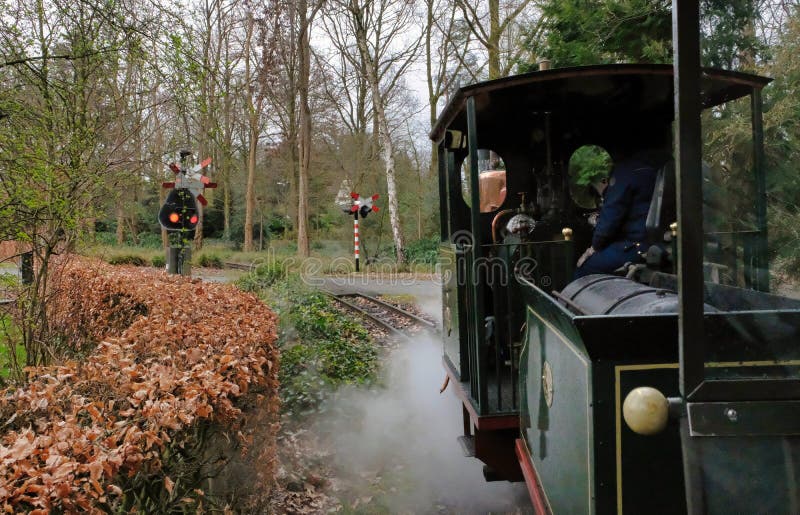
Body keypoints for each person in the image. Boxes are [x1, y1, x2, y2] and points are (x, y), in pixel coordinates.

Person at [574, 149, 662, 278]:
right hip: (656, 243)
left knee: (585, 268)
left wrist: (592, 248)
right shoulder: (649, 167)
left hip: (636, 246)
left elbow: (608, 223)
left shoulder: (623, 173)